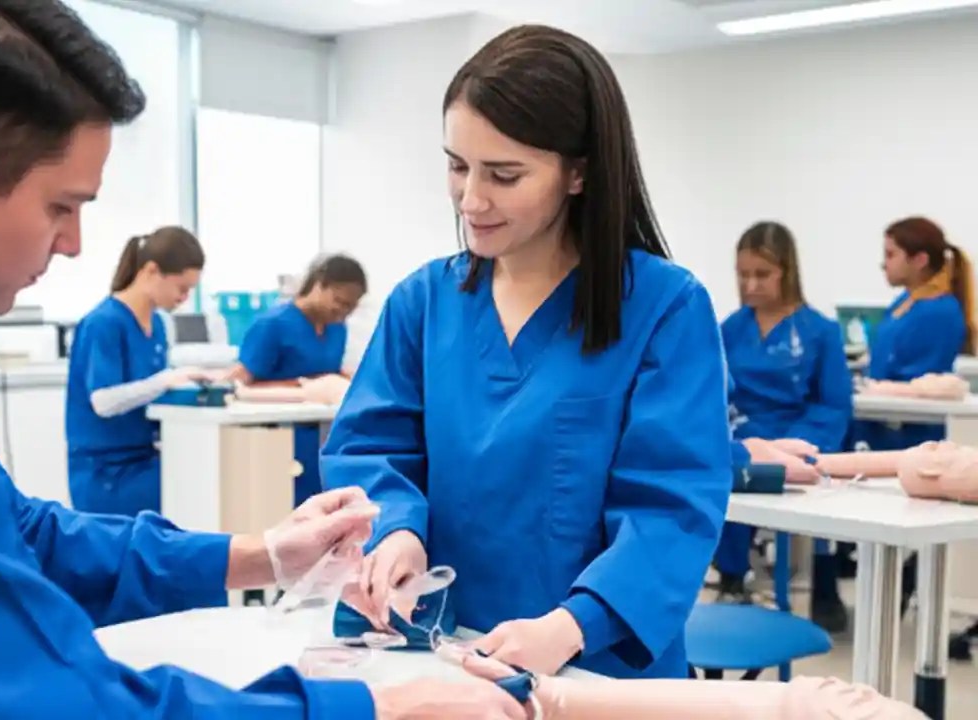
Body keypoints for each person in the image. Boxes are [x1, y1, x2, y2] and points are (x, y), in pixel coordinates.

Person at [0, 2, 524, 718]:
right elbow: (46, 703)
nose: (74, 243)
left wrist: (258, 556)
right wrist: (367, 708)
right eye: (62, 206)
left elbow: (14, 536)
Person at [321, 24, 732, 680]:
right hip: (447, 655)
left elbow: (674, 506)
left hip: (595, 671)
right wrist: (396, 529)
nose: (471, 199)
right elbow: (370, 447)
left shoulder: (663, 307)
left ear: (579, 172)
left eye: (504, 175)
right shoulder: (423, 302)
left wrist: (573, 626)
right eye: (457, 166)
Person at [713, 222, 852, 608]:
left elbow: (833, 403)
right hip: (741, 438)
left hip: (799, 440)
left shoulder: (819, 331)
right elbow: (711, 393)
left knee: (808, 490)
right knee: (719, 479)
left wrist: (792, 448)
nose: (751, 285)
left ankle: (825, 587)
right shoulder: (730, 328)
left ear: (787, 272)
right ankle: (731, 578)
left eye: (762, 274)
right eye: (743, 275)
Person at [65, 226, 211, 515]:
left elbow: (148, 394)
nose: (185, 297)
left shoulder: (156, 325)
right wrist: (166, 380)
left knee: (209, 474)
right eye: (182, 288)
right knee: (200, 490)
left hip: (146, 459)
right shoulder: (103, 323)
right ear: (151, 271)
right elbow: (104, 402)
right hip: (108, 473)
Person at [229, 254, 368, 504]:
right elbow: (240, 385)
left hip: (323, 438)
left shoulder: (337, 328)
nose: (342, 312)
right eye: (338, 301)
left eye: (350, 307)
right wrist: (304, 386)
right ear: (318, 285)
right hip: (276, 438)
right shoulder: (273, 325)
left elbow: (328, 371)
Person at [856, 216, 974, 451]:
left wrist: (879, 388)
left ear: (919, 260)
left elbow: (920, 380)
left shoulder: (940, 311)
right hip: (879, 416)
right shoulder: (905, 301)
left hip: (911, 428)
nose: (883, 264)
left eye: (891, 255)